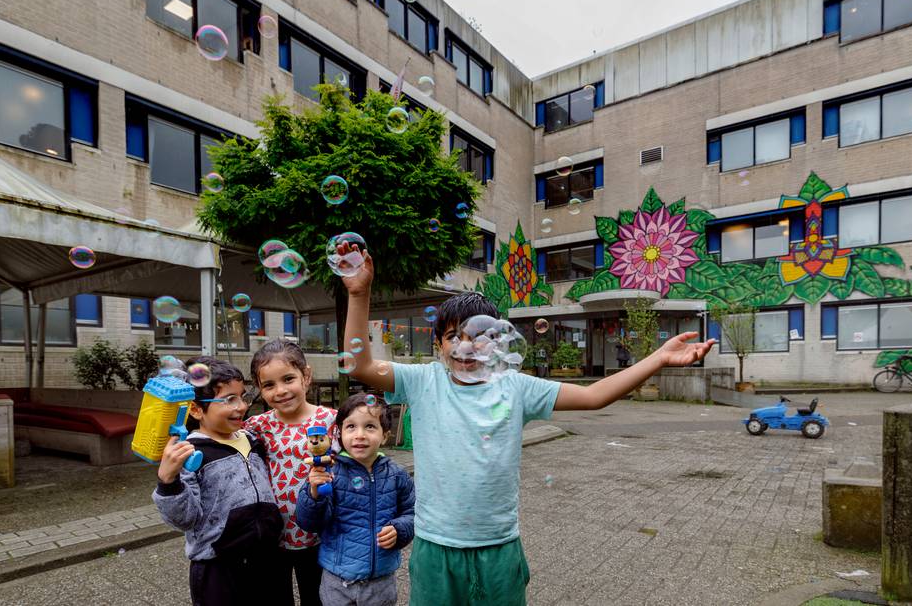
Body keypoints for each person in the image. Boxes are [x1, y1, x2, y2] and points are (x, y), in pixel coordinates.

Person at [337, 243, 714, 605]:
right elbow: (359, 364)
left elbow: (596, 395)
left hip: (499, 547)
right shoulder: (423, 381)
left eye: (478, 336)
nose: (465, 346)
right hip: (436, 546)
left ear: (497, 342)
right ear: (439, 345)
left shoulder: (516, 387)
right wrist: (358, 293)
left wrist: (658, 358)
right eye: (454, 336)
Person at [152, 358, 289, 606]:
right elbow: (185, 519)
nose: (242, 407)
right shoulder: (190, 453)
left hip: (268, 558)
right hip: (219, 567)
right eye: (229, 399)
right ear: (195, 409)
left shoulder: (253, 440)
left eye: (243, 396)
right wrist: (168, 481)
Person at [295, 392, 415, 606]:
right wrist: (313, 493)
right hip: (337, 580)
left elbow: (412, 513)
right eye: (351, 427)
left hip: (381, 581)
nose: (360, 435)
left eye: (370, 426)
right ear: (339, 434)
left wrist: (400, 529)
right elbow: (309, 523)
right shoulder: (328, 472)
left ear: (385, 435)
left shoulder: (397, 475)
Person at [245, 340, 338, 606]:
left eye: (288, 379)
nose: (281, 391)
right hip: (273, 538)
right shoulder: (256, 426)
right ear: (260, 389)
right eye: (269, 385)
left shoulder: (332, 421)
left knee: (318, 598)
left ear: (306, 376)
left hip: (321, 535)